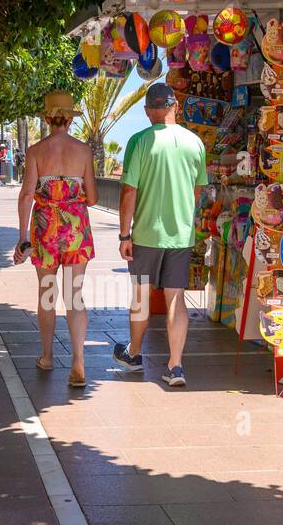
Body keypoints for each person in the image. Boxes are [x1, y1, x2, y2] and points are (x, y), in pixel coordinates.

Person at [112, 81, 207, 388]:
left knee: (141, 296)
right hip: (181, 235)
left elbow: (128, 191)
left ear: (147, 110)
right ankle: (175, 366)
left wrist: (124, 235)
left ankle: (134, 354)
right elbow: (198, 189)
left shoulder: (139, 141)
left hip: (145, 235)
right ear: (175, 106)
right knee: (175, 298)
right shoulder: (195, 143)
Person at [13, 92, 96, 389]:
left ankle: (47, 357)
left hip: (45, 227)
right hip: (76, 228)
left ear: (46, 119)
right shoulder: (84, 151)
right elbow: (94, 197)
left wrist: (22, 237)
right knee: (74, 295)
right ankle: (78, 361)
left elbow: (25, 195)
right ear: (70, 118)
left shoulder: (36, 151)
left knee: (47, 293)